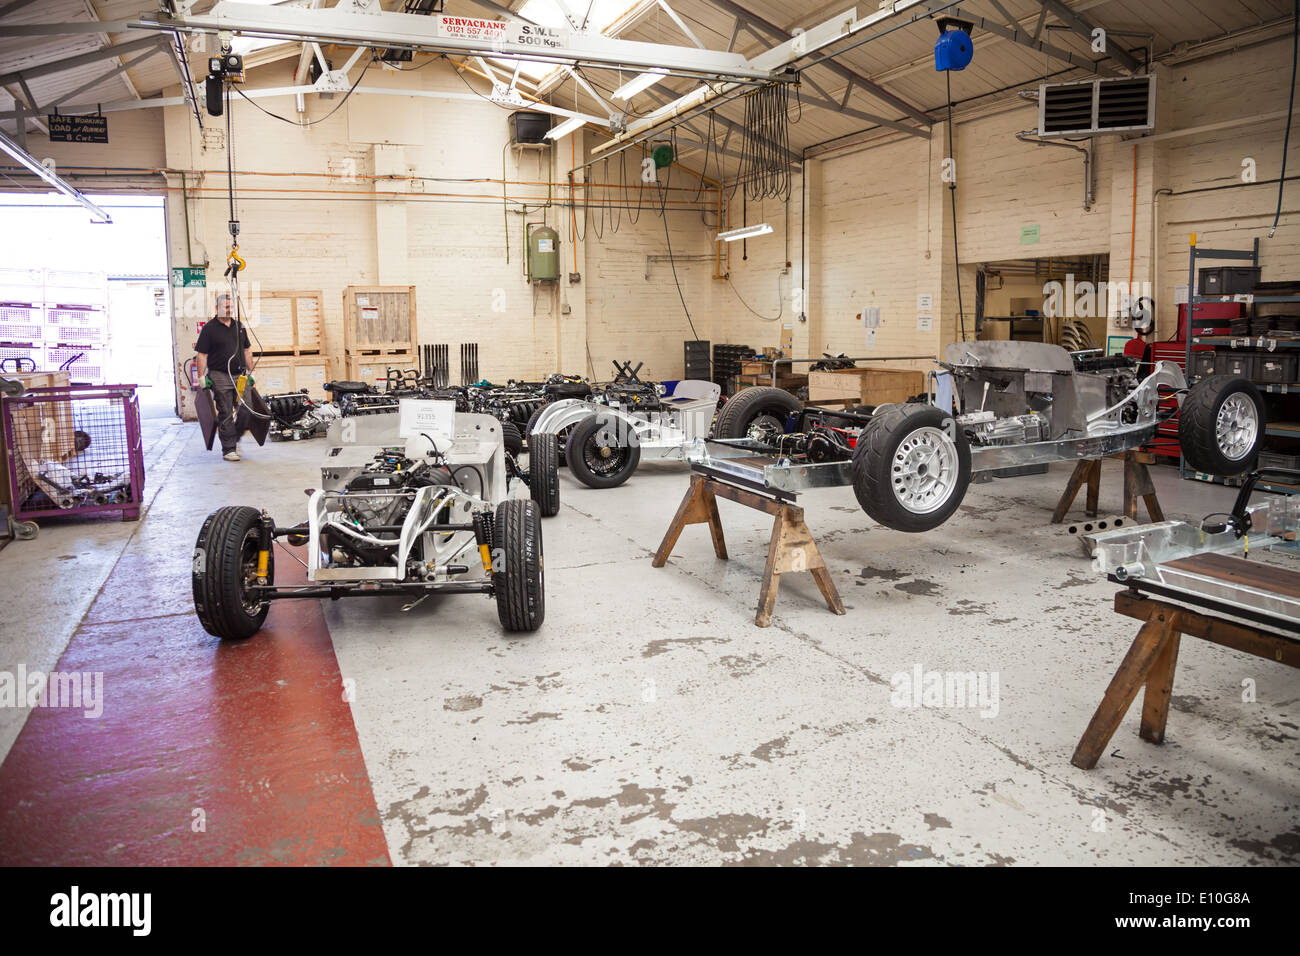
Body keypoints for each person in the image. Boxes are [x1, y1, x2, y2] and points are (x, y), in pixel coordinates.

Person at [195, 294, 255, 461]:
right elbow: (202, 354)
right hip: (219, 375)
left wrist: (251, 371)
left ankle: (234, 439)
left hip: (240, 375)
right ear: (217, 308)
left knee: (247, 408)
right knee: (226, 411)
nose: (229, 310)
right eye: (225, 307)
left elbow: (246, 350)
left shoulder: (239, 327)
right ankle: (228, 449)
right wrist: (201, 377)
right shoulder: (209, 329)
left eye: (231, 307)